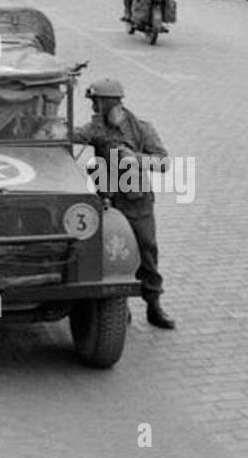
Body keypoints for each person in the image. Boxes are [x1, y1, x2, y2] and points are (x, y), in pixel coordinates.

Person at [74, 78, 175, 329]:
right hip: (109, 201)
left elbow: (163, 162)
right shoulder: (97, 129)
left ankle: (154, 305)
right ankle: (120, 307)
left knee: (146, 250)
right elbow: (77, 135)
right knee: (113, 253)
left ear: (111, 103)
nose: (94, 108)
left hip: (137, 201)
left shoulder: (141, 128)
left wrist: (135, 158)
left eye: (97, 102)